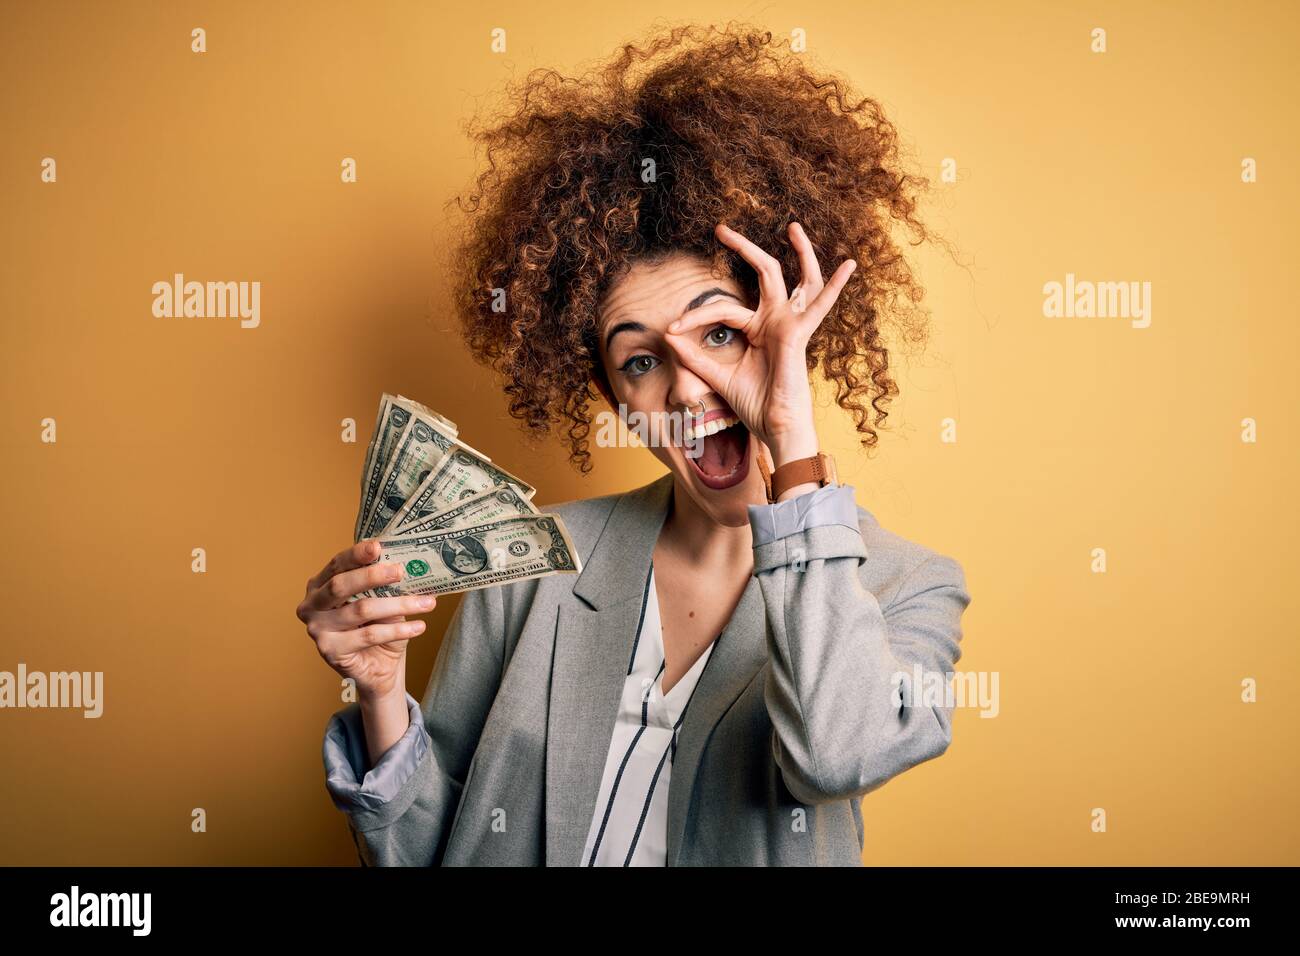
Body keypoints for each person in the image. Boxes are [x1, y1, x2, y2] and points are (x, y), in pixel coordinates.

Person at [297, 23, 971, 866]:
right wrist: (382, 692)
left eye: (721, 334)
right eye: (643, 360)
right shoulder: (540, 559)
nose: (688, 388)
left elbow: (840, 754)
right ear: (613, 395)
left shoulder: (908, 587)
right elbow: (438, 850)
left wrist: (791, 440)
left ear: (790, 338)